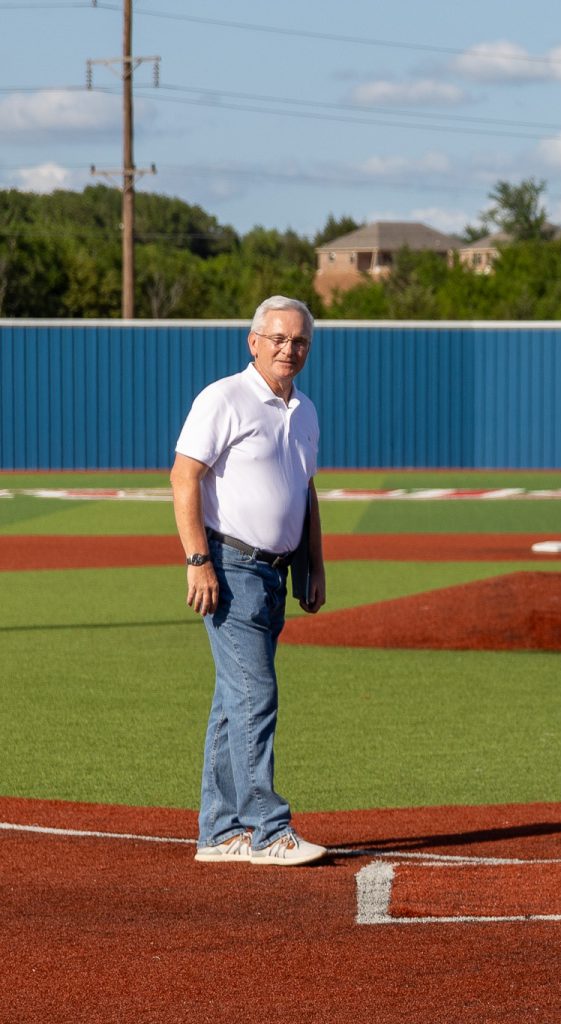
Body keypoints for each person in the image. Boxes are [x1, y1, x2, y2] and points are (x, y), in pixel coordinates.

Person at [171, 295, 328, 867]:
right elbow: (184, 476)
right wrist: (198, 560)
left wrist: (315, 564)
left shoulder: (304, 410)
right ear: (253, 342)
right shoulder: (224, 397)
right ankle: (267, 830)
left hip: (277, 572)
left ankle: (218, 832)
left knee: (231, 702)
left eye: (301, 341)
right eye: (280, 338)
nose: (290, 349)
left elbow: (304, 491)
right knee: (255, 696)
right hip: (230, 567)